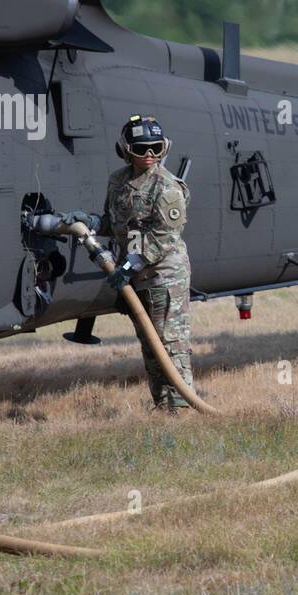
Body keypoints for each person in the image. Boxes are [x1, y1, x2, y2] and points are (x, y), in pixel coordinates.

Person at [63, 115, 195, 412]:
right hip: (135, 276)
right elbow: (116, 222)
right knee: (150, 344)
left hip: (164, 276)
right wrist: (91, 221)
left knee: (169, 343)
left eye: (156, 148)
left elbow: (165, 236)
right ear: (125, 150)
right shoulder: (119, 181)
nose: (149, 155)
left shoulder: (167, 186)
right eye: (141, 149)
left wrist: (128, 266)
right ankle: (163, 406)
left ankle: (183, 408)